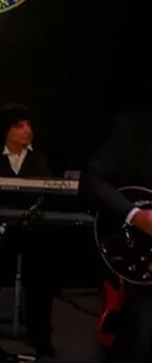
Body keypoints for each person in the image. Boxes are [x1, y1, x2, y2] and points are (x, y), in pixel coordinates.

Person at [0, 103, 59, 360]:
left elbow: (49, 197)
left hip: (33, 233)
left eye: (29, 125)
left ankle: (40, 338)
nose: (27, 131)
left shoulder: (42, 158)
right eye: (19, 126)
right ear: (6, 131)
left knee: (42, 272)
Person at [78, 109, 152, 363]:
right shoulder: (135, 125)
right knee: (140, 342)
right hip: (143, 260)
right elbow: (91, 181)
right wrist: (135, 215)